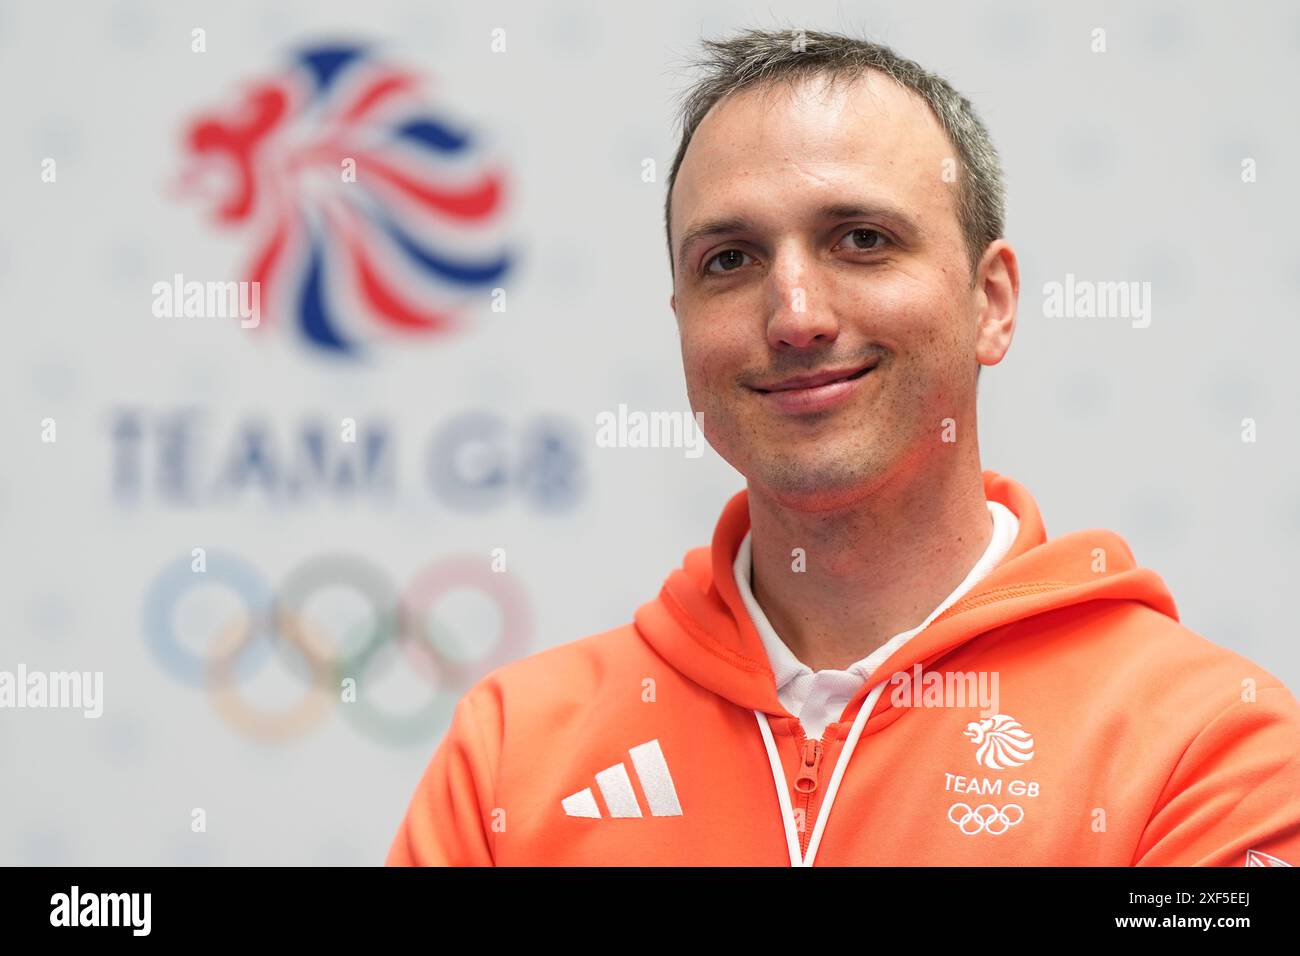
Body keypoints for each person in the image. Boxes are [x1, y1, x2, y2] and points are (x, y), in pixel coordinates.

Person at [386, 28, 1300, 866]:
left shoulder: (1205, 745)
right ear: (680, 325)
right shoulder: (511, 754)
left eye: (861, 240)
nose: (796, 317)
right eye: (730, 260)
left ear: (992, 302)